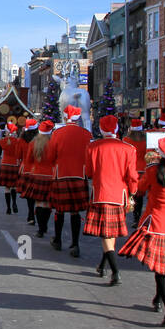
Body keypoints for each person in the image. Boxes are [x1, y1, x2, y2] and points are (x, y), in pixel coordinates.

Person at [120, 133, 165, 325]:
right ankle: (158, 299)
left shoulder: (153, 171)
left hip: (156, 223)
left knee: (161, 269)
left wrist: (150, 164)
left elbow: (141, 188)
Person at [84, 115, 138, 284]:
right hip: (119, 194)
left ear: (100, 129)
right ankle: (103, 266)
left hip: (100, 193)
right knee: (109, 233)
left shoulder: (93, 147)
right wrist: (133, 192)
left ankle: (115, 271)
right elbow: (132, 176)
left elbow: (89, 173)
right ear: (116, 129)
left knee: (107, 234)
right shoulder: (128, 149)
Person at [47, 105, 93, 258]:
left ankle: (58, 240)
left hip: (61, 175)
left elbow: (50, 156)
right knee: (75, 212)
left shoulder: (57, 133)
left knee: (59, 210)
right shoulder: (86, 134)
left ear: (66, 117)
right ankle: (75, 243)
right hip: (80, 175)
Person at [22, 120, 58, 238]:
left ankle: (40, 229)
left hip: (37, 174)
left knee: (38, 202)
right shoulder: (54, 143)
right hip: (51, 175)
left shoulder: (33, 143)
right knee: (47, 203)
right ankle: (45, 225)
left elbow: (28, 160)